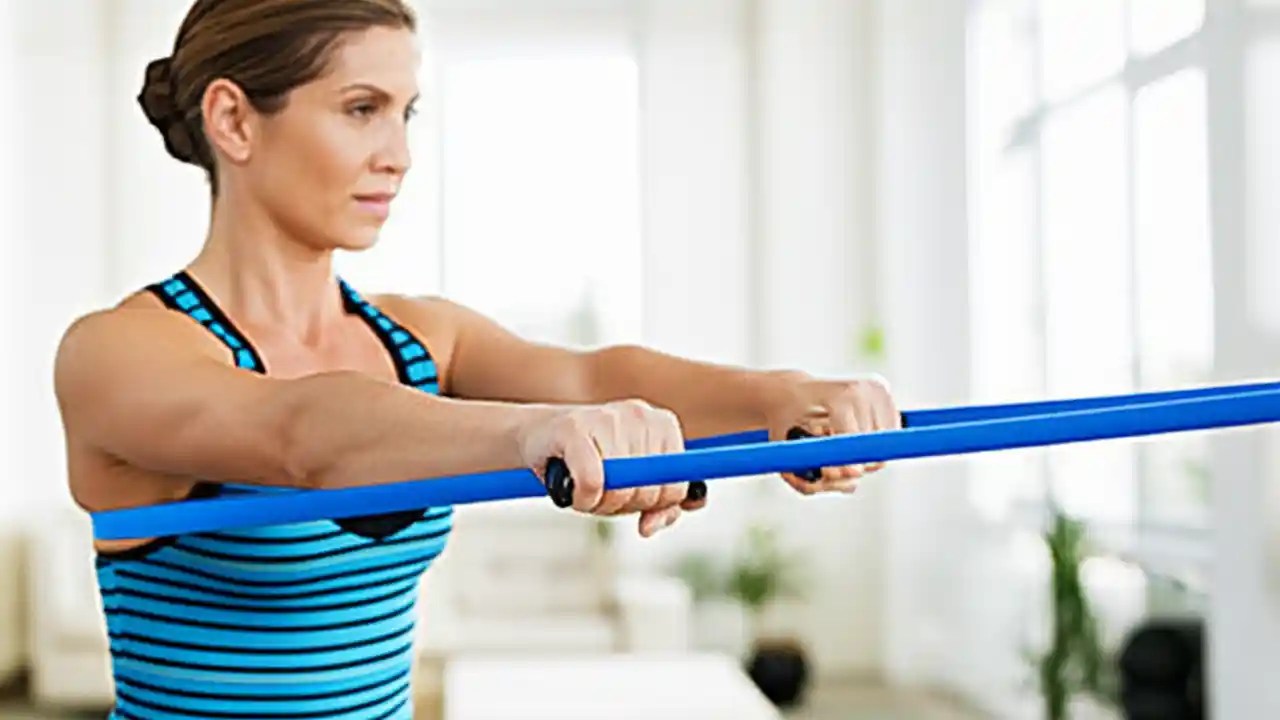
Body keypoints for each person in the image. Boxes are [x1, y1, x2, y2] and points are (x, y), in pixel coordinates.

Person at [52, 0, 902, 717]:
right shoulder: (120, 352)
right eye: (361, 108)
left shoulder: (419, 337)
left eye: (406, 112)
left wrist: (788, 396)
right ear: (234, 119)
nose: (399, 152)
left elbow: (592, 376)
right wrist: (538, 434)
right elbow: (303, 436)